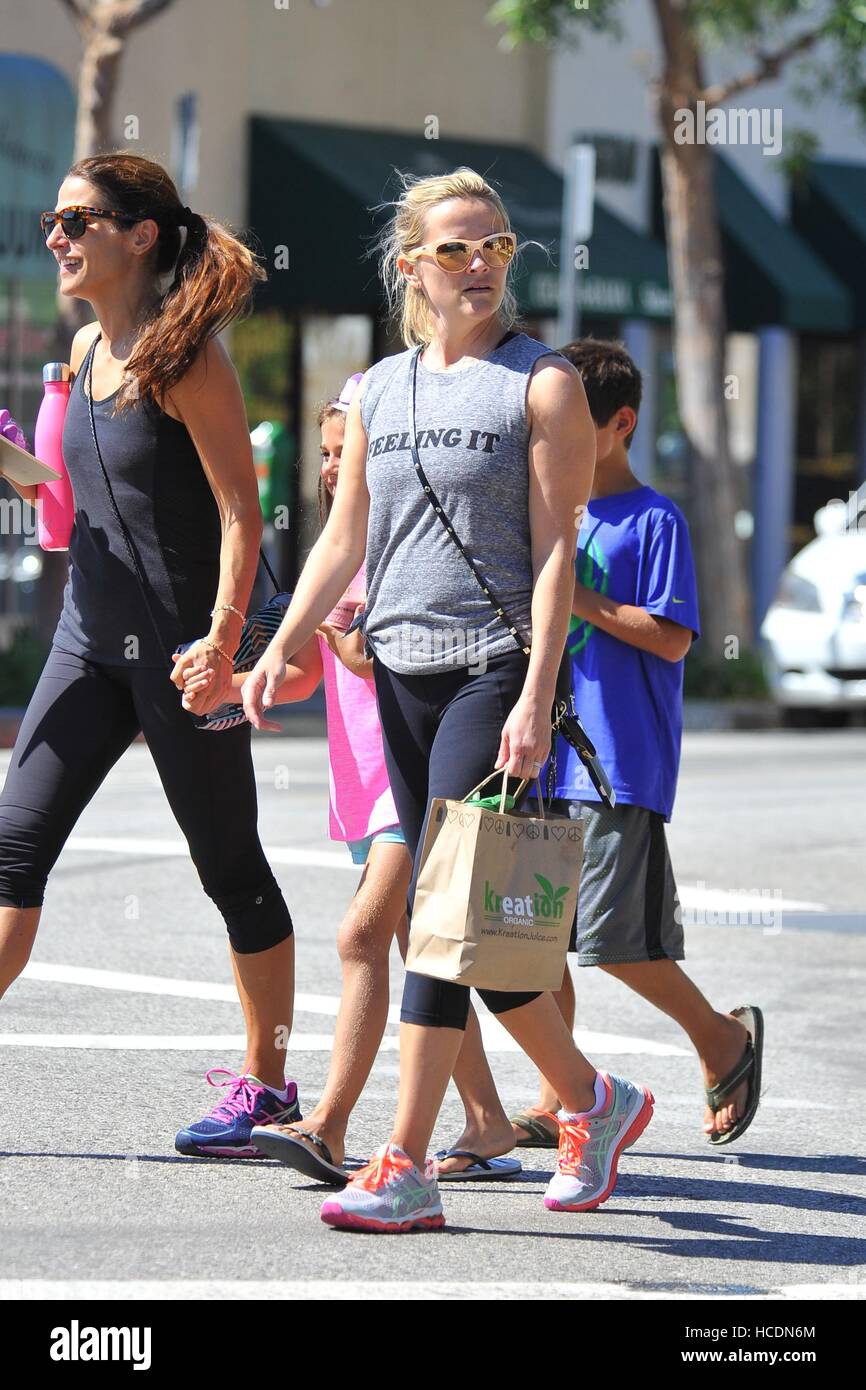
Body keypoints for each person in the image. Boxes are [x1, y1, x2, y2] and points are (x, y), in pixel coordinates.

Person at [241, 168, 654, 1232]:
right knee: (467, 930)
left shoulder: (541, 383)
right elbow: (345, 538)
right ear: (411, 266)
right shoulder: (377, 386)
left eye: (497, 248)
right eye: (456, 249)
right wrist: (278, 645)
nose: (479, 265)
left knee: (434, 922)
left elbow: (559, 548)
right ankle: (593, 1101)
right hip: (399, 669)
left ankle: (404, 1162)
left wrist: (533, 690)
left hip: (487, 666)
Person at [0, 152, 301, 1158]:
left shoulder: (187, 358)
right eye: (52, 220)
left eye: (76, 221)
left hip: (184, 654)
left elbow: (238, 514)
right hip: (89, 641)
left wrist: (221, 643)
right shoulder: (85, 349)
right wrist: (14, 464)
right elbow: (82, 501)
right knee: (12, 847)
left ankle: (266, 1085)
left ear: (137, 236)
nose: (57, 237)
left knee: (230, 868)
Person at [441, 338, 763, 1169]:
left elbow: (671, 637)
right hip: (537, 753)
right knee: (535, 941)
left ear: (617, 424)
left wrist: (573, 592)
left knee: (619, 942)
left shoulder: (654, 518)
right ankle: (557, 1098)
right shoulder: (542, 509)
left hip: (617, 763)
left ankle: (723, 1041)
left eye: (572, 421)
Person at [184, 373, 412, 1183]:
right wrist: (244, 683)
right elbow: (317, 670)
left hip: (412, 779)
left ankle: (328, 1125)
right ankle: (499, 1120)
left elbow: (374, 656)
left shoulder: (403, 545)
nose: (329, 468)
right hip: (362, 783)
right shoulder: (339, 551)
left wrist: (344, 633)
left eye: (346, 453)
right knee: (439, 958)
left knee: (363, 939)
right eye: (324, 453)